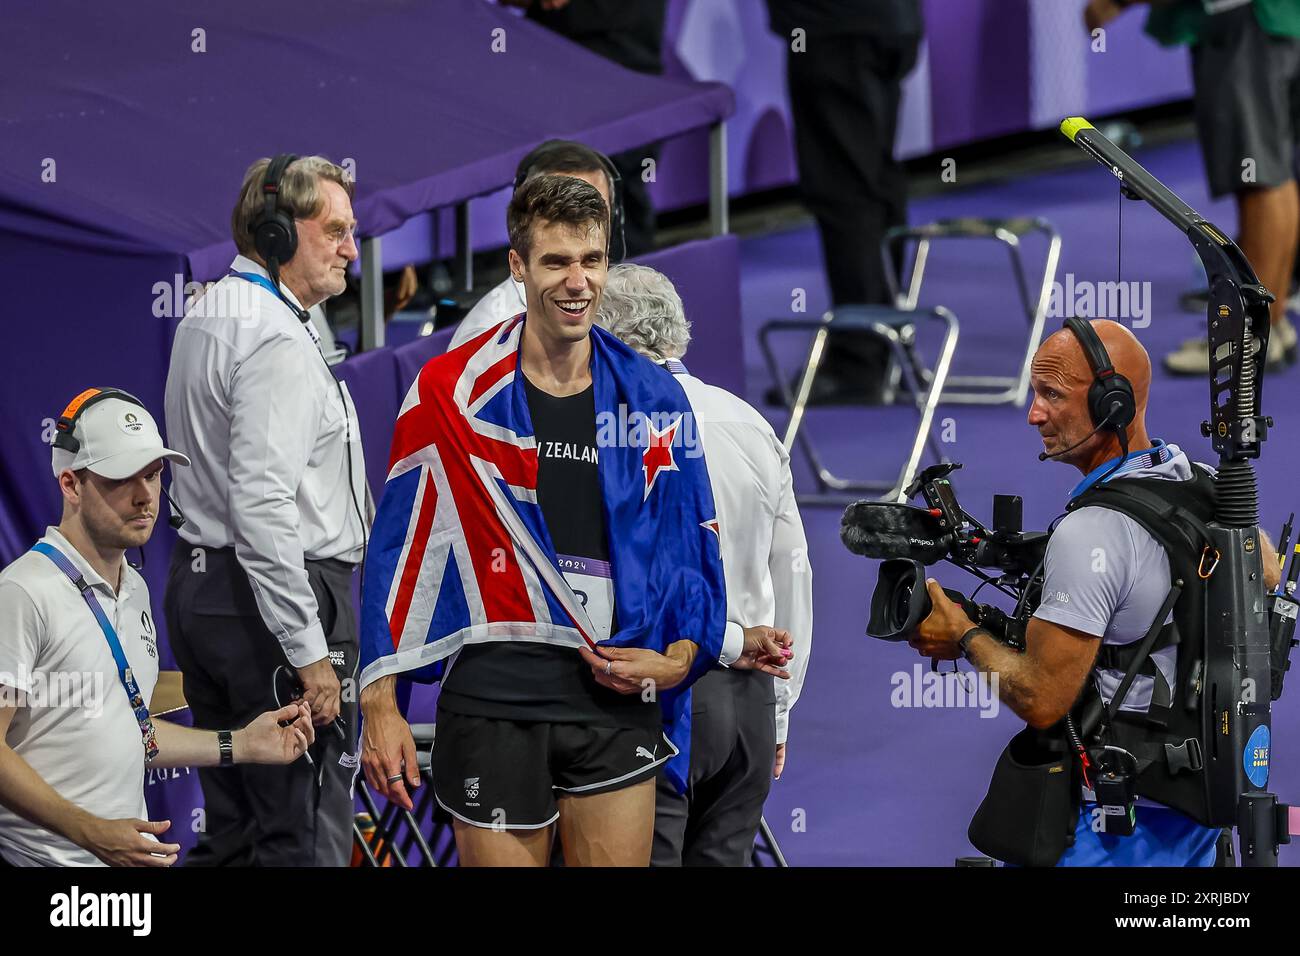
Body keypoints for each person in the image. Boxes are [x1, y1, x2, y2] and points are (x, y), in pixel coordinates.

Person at [358, 175, 792, 867]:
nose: (577, 282)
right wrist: (381, 705)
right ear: (518, 267)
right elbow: (397, 556)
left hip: (612, 701)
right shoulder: (452, 391)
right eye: (557, 262)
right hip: (494, 701)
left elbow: (693, 552)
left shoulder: (651, 397)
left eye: (591, 261)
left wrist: (679, 660)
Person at [907, 319, 1282, 865]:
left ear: (1113, 405)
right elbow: (1266, 571)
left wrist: (964, 635)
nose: (1034, 413)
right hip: (1197, 812)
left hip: (1116, 829)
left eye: (1052, 395)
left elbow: (1040, 699)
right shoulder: (1200, 481)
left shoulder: (1091, 533)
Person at [0, 389, 314, 867]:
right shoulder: (24, 591)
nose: (145, 495)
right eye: (122, 476)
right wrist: (91, 833)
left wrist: (243, 744)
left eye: (152, 474)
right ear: (70, 484)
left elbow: (135, 730)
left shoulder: (138, 590)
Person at [163, 154, 368, 866]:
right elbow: (262, 504)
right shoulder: (276, 336)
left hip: (207, 592)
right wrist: (310, 651)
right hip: (276, 599)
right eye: (336, 231)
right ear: (278, 235)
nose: (352, 249)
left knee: (238, 834)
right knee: (303, 834)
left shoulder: (211, 310)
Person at [597, 264, 813, 866]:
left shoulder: (606, 432)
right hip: (750, 701)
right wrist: (781, 713)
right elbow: (794, 572)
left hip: (653, 694)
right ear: (676, 336)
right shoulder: (750, 422)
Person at [1084, 0, 1299, 374]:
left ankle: (1245, 339)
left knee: (1260, 182)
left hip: (1241, 22)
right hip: (1266, 22)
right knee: (1273, 177)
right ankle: (1269, 325)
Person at [765, 0, 923, 405]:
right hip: (887, 22)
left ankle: (861, 355)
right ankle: (887, 343)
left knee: (846, 187)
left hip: (837, 27)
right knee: (874, 179)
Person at [502, 0, 665, 257]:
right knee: (556, 195)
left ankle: (628, 284)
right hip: (550, 55)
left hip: (619, 56)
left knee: (619, 194)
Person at [448, 139, 620, 350]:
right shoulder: (485, 343)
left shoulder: (627, 301)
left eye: (595, 209)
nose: (582, 225)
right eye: (561, 210)